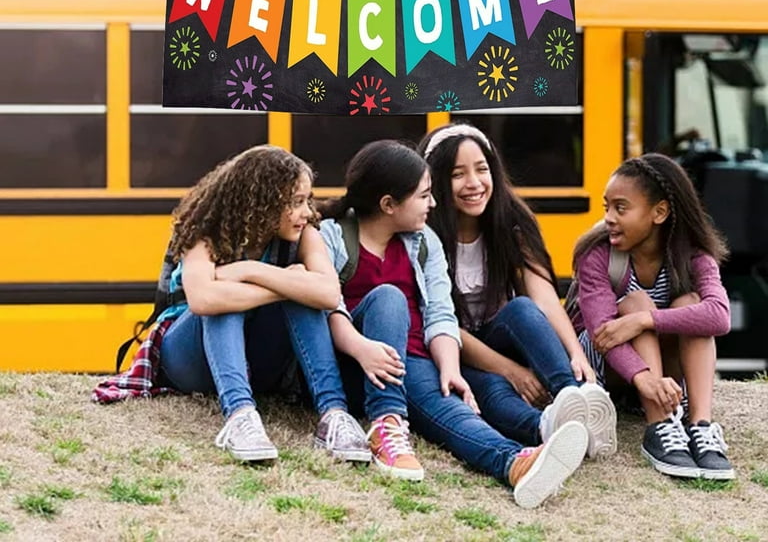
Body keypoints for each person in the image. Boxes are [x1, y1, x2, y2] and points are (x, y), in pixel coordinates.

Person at [319, 139, 588, 508]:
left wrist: (450, 368)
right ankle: (387, 424)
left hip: (414, 359)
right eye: (424, 195)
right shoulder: (332, 236)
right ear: (388, 205)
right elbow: (326, 305)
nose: (433, 203)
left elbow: (440, 313)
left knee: (457, 402)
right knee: (389, 299)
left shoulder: (423, 241)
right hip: (359, 360)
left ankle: (518, 460)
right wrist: (362, 348)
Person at [155, 145, 370, 463]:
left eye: (306, 201)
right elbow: (202, 300)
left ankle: (334, 415)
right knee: (231, 300)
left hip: (259, 362)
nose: (307, 213)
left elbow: (327, 293)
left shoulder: (303, 235)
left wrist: (251, 272)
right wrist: (285, 284)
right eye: (296, 202)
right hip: (188, 358)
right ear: (263, 203)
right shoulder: (206, 231)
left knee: (303, 295)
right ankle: (240, 415)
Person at [418, 123, 617, 460]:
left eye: (482, 169)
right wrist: (509, 371)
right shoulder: (422, 237)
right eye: (458, 174)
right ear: (435, 181)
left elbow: (543, 301)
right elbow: (440, 324)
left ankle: (578, 398)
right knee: (493, 389)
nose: (474, 183)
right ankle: (549, 429)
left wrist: (575, 354)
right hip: (452, 349)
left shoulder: (511, 221)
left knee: (522, 308)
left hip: (504, 335)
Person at [570, 152, 734, 480]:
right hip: (610, 370)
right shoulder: (598, 255)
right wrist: (645, 376)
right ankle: (659, 427)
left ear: (659, 213)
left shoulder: (693, 256)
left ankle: (701, 426)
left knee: (690, 302)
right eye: (607, 208)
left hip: (662, 376)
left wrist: (646, 321)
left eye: (621, 208)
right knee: (636, 302)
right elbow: (603, 335)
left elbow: (719, 316)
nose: (610, 218)